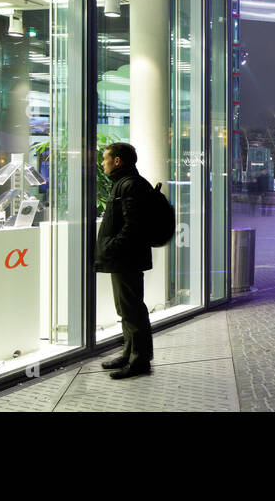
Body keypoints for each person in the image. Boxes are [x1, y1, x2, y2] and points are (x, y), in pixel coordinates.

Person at [96, 142, 154, 380]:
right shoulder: (124, 183)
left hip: (126, 258)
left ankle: (139, 360)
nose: (102, 163)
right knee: (126, 308)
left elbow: (133, 225)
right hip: (124, 258)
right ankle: (129, 353)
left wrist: (112, 246)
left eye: (105, 159)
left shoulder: (129, 185)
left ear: (117, 161)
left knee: (132, 309)